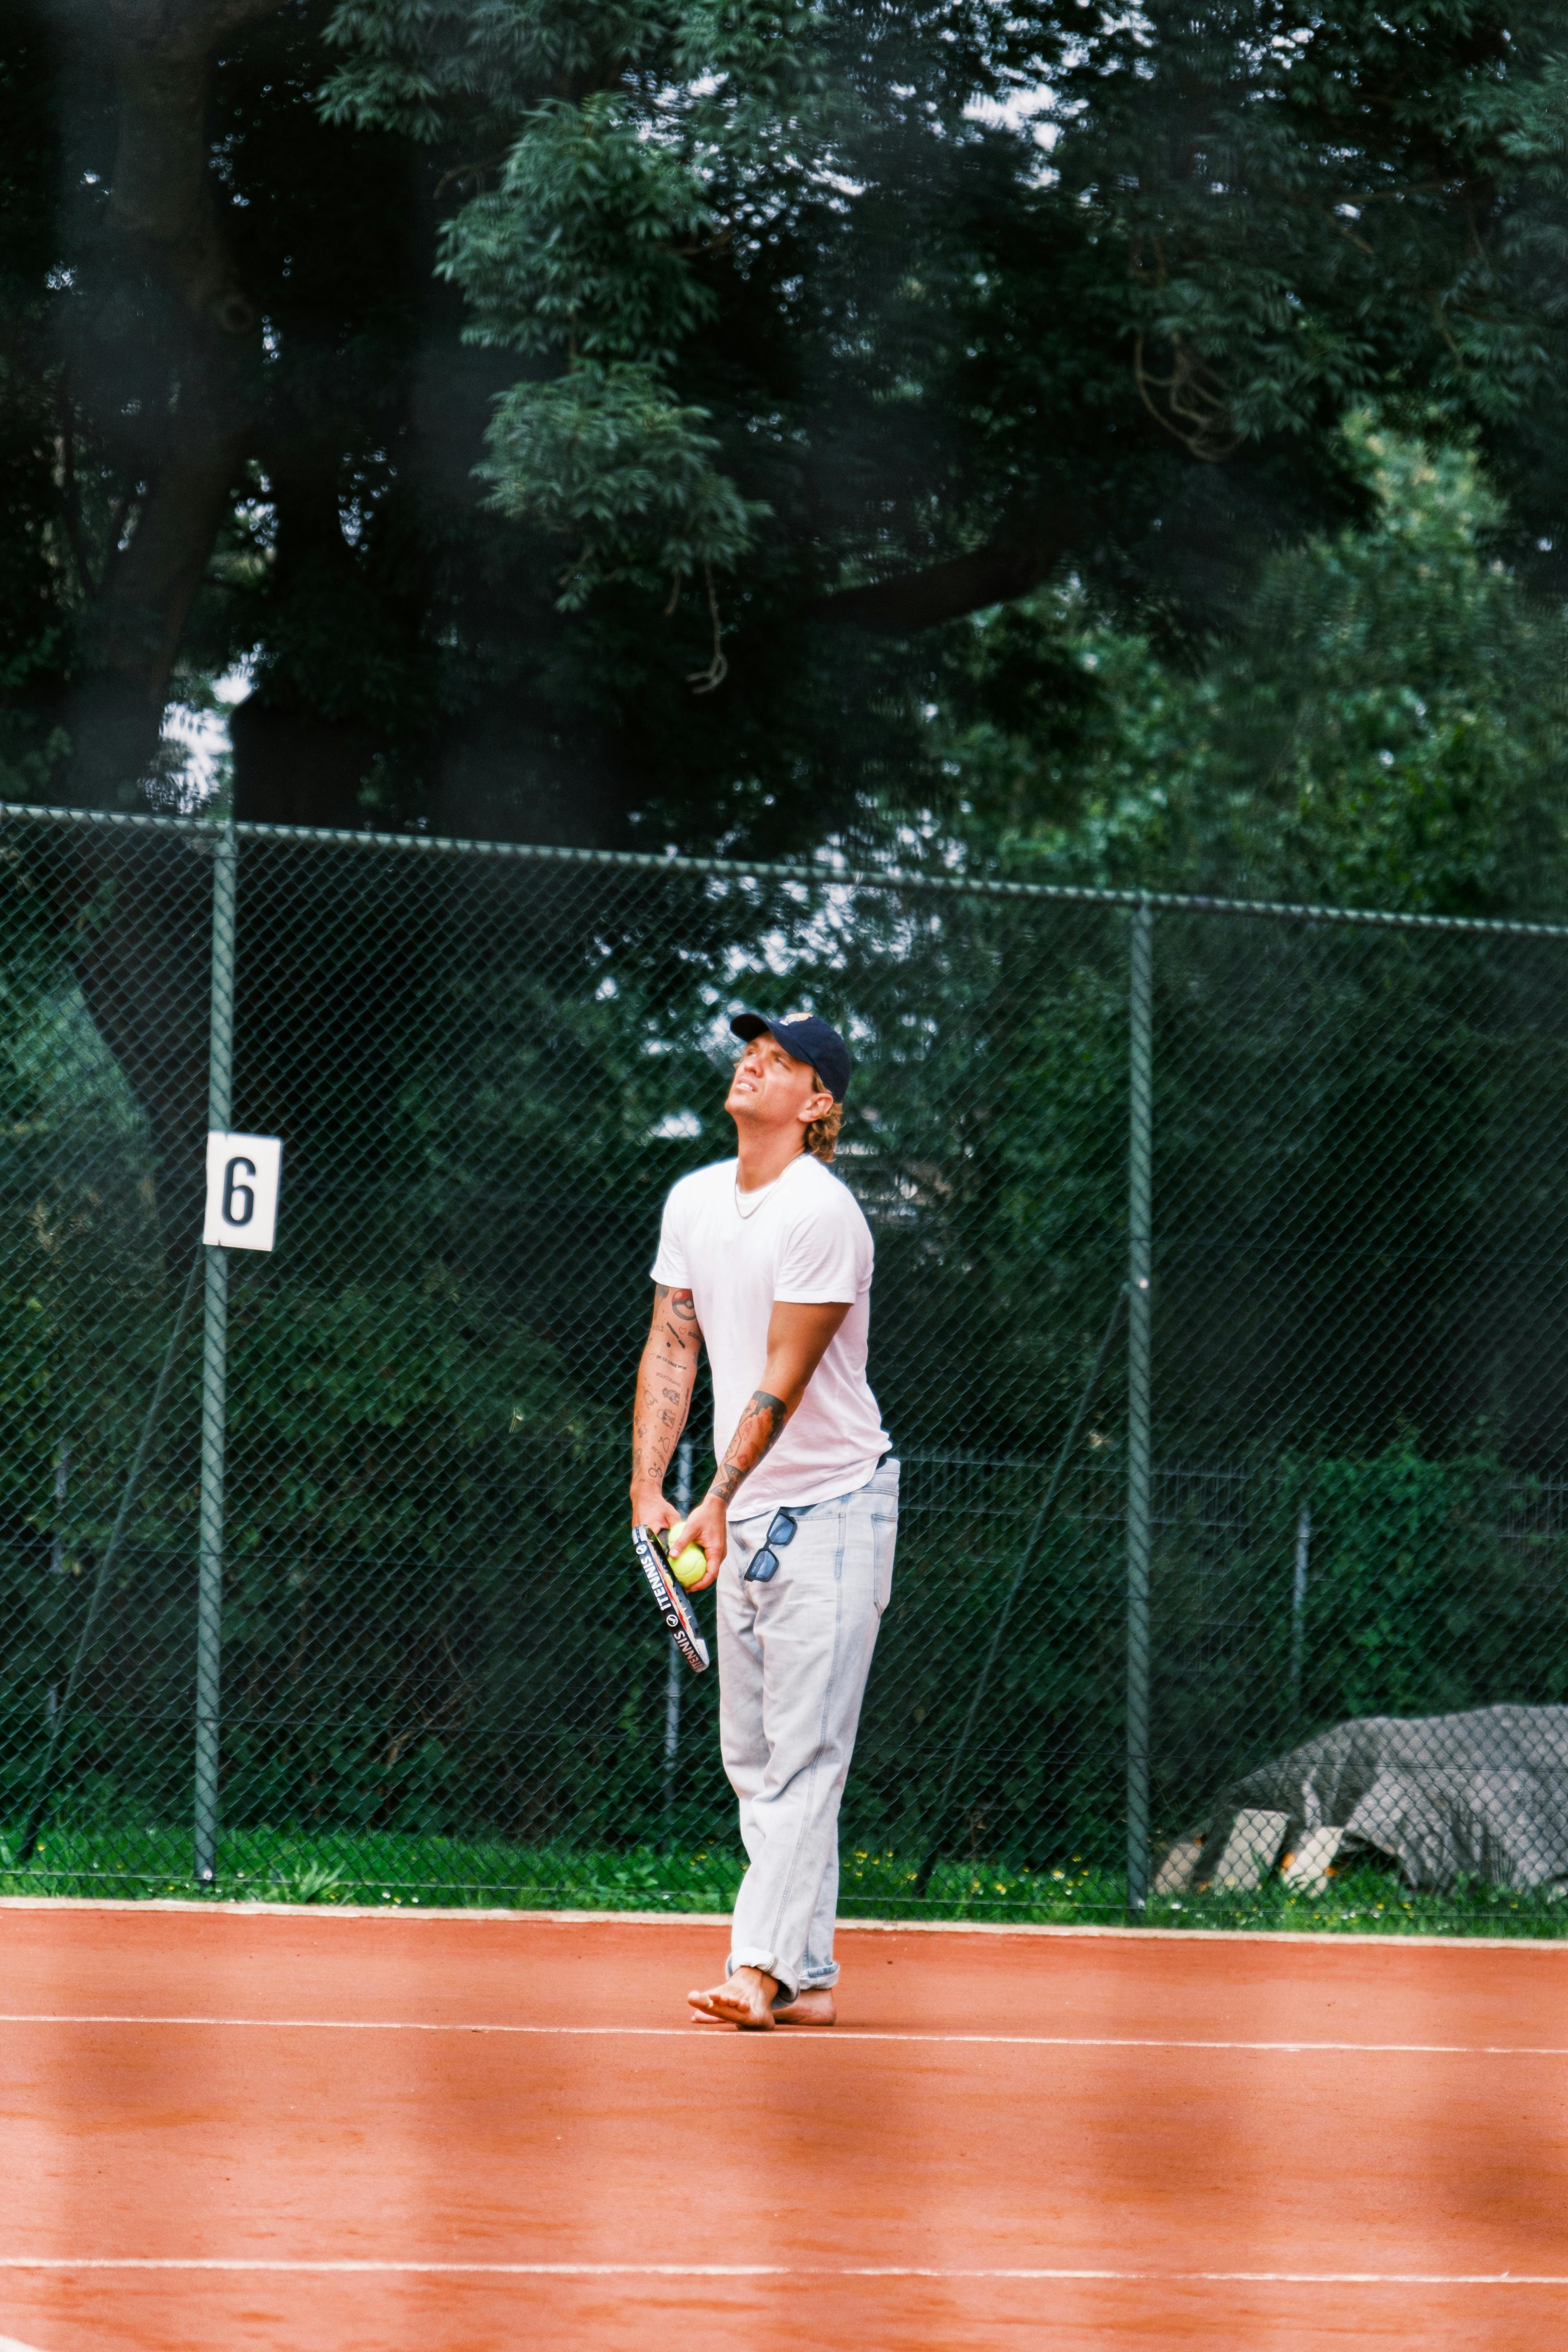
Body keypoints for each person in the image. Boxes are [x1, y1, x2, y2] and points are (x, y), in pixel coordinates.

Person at [630, 1010, 898, 2030]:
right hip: (738, 1508)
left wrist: (718, 1493)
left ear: (817, 1102)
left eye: (780, 1058)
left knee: (802, 1755)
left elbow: (782, 1375)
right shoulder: (695, 1199)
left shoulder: (823, 1215)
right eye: (752, 1048)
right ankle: (814, 1973)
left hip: (833, 1504)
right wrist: (647, 1485)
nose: (752, 1060)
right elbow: (672, 1342)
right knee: (756, 1757)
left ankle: (757, 1968)